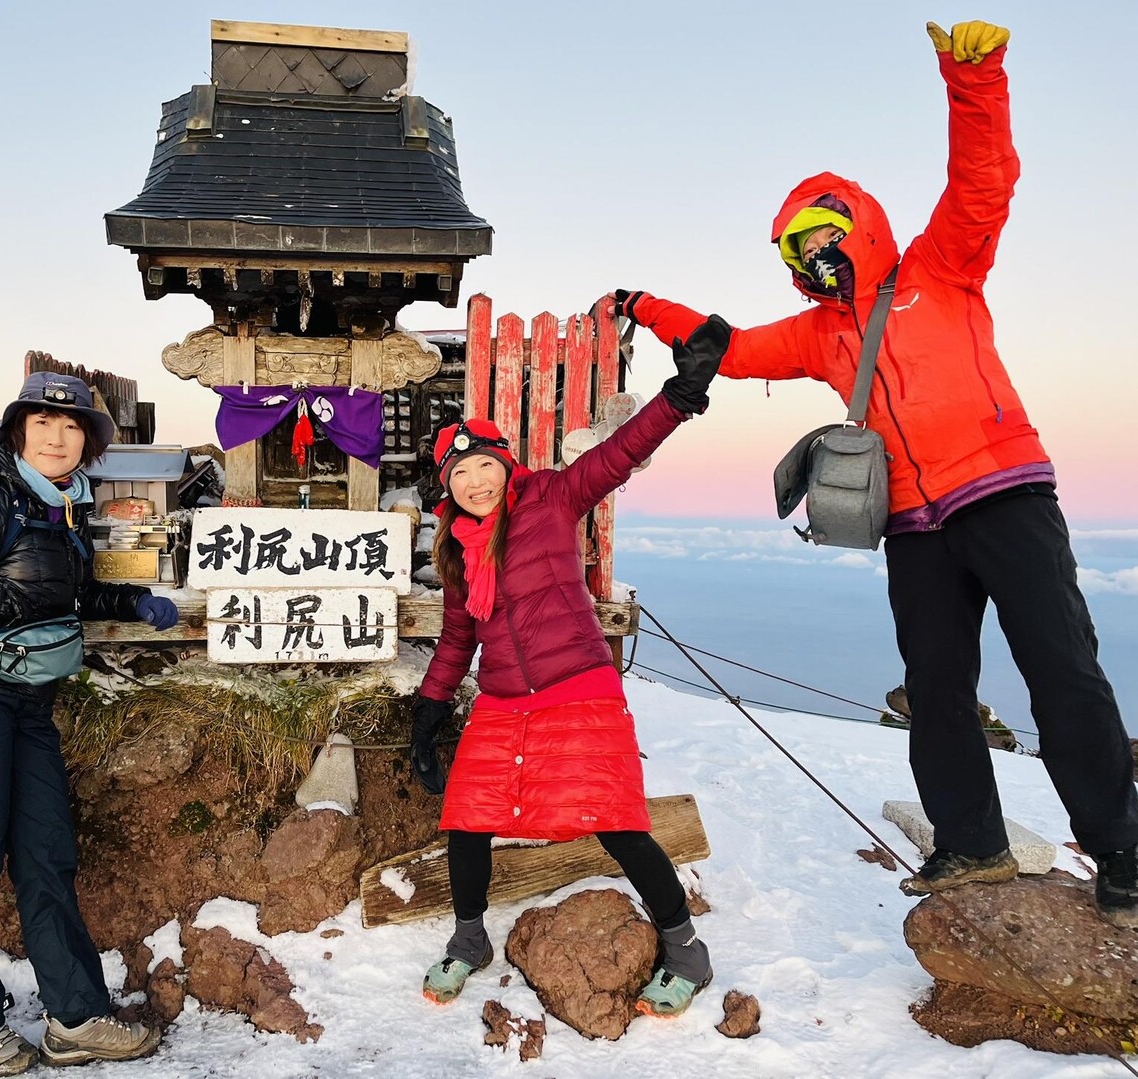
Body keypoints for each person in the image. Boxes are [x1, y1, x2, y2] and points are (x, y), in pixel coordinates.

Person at [614, 20, 1138, 925]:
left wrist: (971, 74)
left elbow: (982, 180)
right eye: (793, 250)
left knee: (1062, 672)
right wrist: (646, 306)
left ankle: (1123, 848)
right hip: (914, 526)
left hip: (1004, 492)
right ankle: (970, 840)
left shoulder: (942, 264)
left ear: (856, 226)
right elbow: (731, 348)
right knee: (935, 686)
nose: (810, 256)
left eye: (820, 234)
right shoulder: (822, 333)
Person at [409, 316, 729, 1017]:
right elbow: (457, 639)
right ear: (448, 486)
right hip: (500, 700)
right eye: (458, 473)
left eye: (482, 465)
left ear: (504, 465)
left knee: (616, 819)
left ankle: (685, 950)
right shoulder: (458, 552)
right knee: (468, 816)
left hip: (576, 687)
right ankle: (469, 940)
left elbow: (618, 454)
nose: (473, 481)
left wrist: (679, 395)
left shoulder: (553, 498)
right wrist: (428, 707)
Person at [0, 372, 181, 1076]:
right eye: (42, 422)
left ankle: (74, 1016)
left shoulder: (53, 503)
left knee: (45, 853)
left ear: (88, 439)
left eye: (72, 425)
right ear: (18, 429)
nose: (57, 436)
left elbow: (60, 590)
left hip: (29, 704)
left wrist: (128, 598)